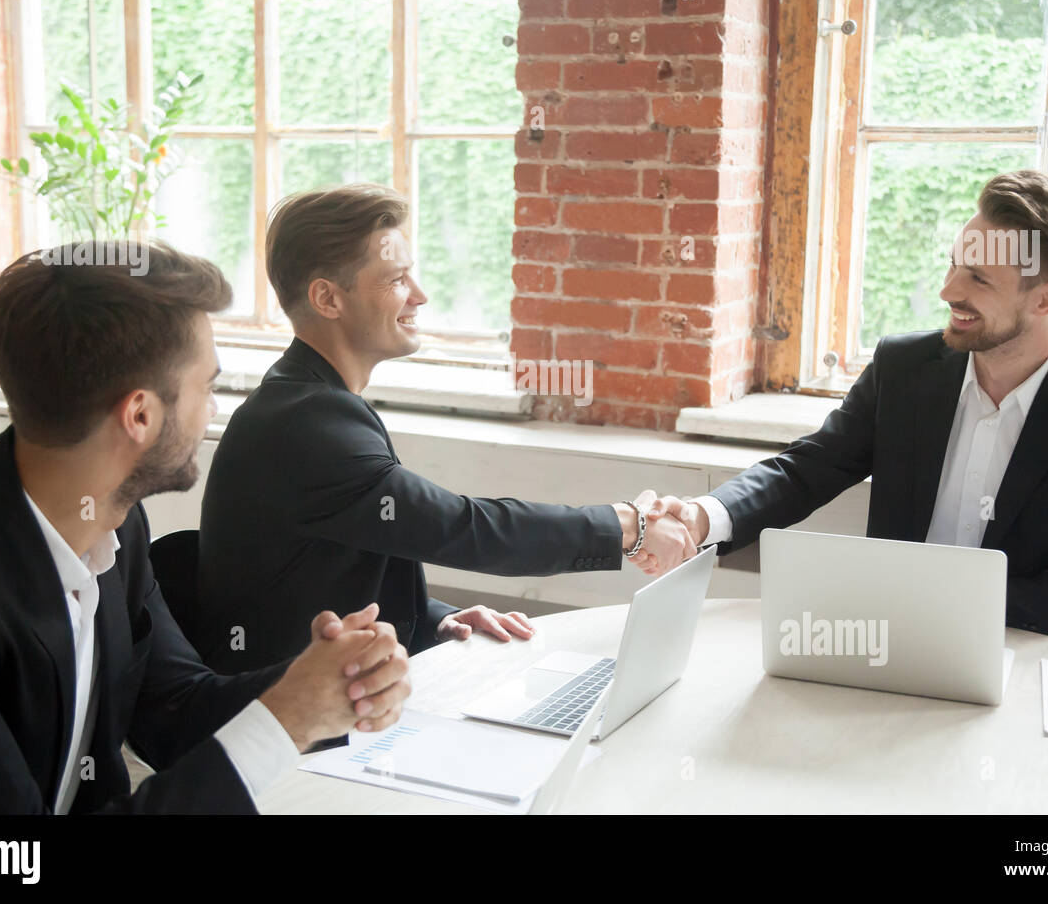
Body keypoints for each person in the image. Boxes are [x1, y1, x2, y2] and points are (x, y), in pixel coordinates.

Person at [0, 242, 411, 813]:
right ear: (140, 415)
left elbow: (177, 708)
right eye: (206, 387)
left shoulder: (114, 522)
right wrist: (289, 717)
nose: (212, 411)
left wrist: (326, 684)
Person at [638, 170, 1048, 653]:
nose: (948, 290)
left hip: (1025, 662)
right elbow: (808, 469)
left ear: (1047, 299)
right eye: (954, 264)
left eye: (978, 279)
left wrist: (915, 592)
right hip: (889, 653)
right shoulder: (904, 368)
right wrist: (706, 516)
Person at [194, 184, 696, 672]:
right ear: (328, 299)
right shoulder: (306, 420)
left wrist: (436, 619)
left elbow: (340, 561)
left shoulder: (311, 398)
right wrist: (629, 526)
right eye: (396, 280)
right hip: (284, 721)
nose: (421, 295)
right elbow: (462, 527)